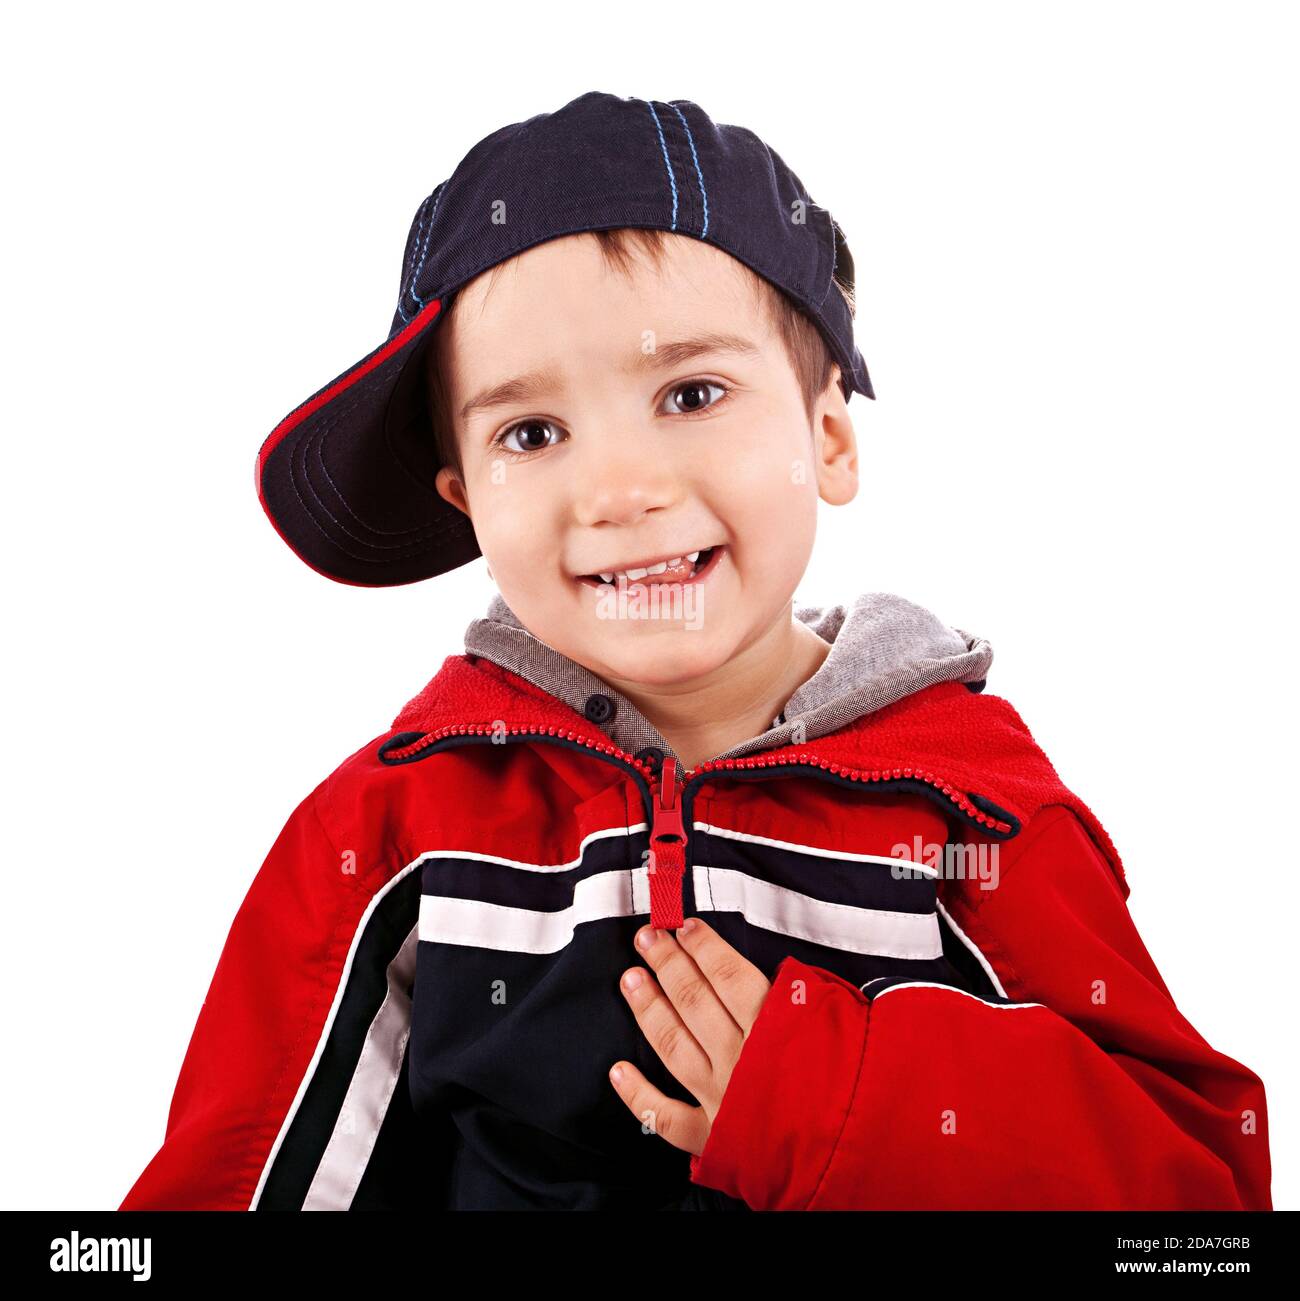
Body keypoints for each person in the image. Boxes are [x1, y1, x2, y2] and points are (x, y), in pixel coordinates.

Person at [119, 91, 1271, 1211]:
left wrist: (834, 1098)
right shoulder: (391, 835)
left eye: (691, 390)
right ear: (467, 499)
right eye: (533, 430)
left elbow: (1198, 1196)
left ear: (826, 436)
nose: (621, 488)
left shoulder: (975, 818)